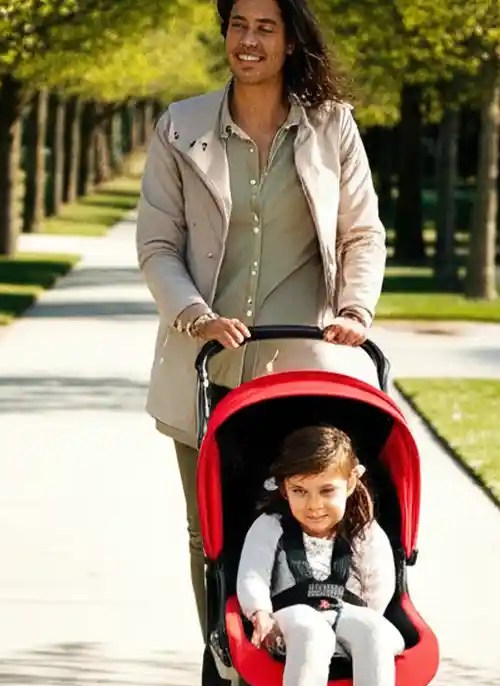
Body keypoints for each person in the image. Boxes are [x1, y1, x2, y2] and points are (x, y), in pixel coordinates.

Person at [135, 0, 387, 645]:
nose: (248, 40)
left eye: (265, 28)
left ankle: (314, 647)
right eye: (238, 26)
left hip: (303, 370)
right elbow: (159, 243)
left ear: (292, 41)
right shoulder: (180, 126)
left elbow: (362, 232)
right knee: (210, 531)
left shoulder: (332, 128)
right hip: (204, 364)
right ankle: (227, 663)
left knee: (305, 517)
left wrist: (355, 310)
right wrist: (194, 315)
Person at [238, 425, 404, 686]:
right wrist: (259, 610)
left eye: (327, 491)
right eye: (299, 491)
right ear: (283, 488)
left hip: (348, 613)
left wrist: (365, 618)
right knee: (311, 629)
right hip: (290, 617)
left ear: (350, 483)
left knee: (374, 631)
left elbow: (379, 583)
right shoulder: (271, 526)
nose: (314, 505)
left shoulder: (364, 532)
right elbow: (253, 572)